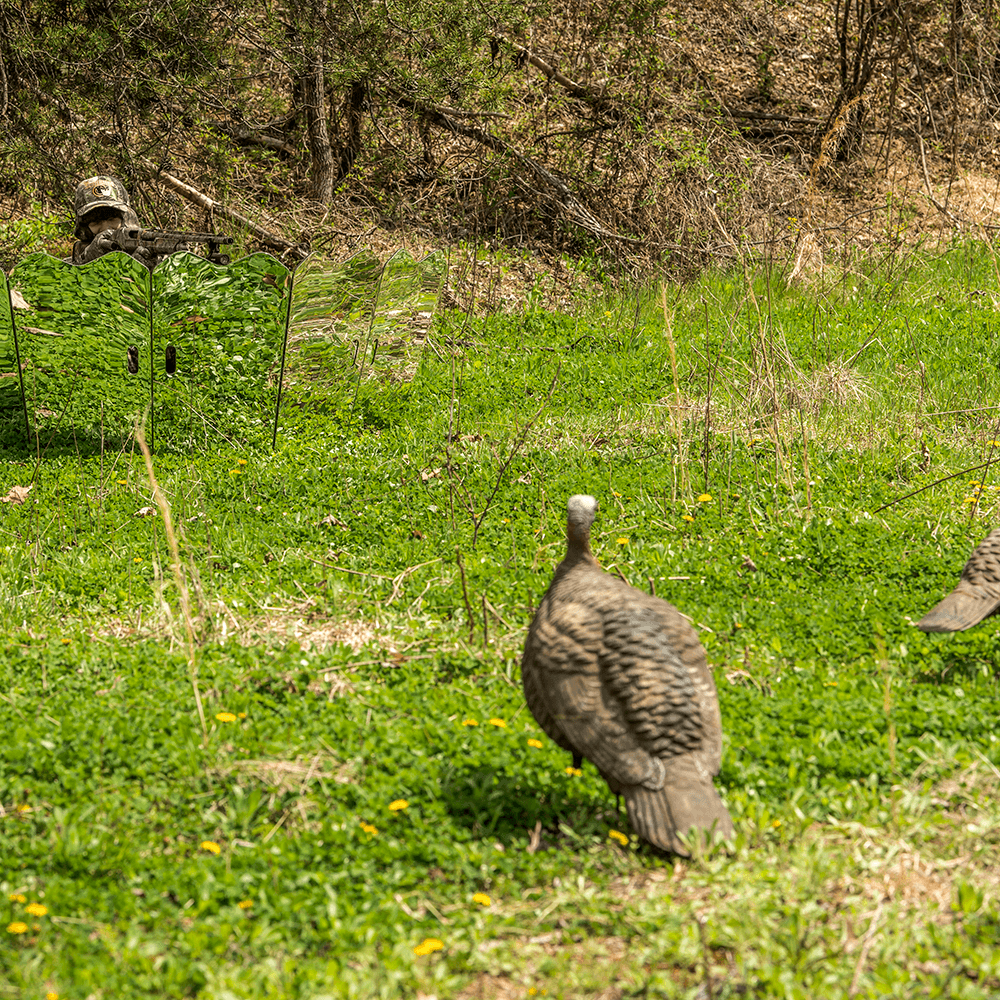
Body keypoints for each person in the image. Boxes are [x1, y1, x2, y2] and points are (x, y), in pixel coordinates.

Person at [69, 176, 157, 267]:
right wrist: (88, 259)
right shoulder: (68, 266)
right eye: (96, 222)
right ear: (84, 227)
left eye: (113, 219)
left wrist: (147, 269)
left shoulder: (144, 250)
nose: (106, 228)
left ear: (125, 219)